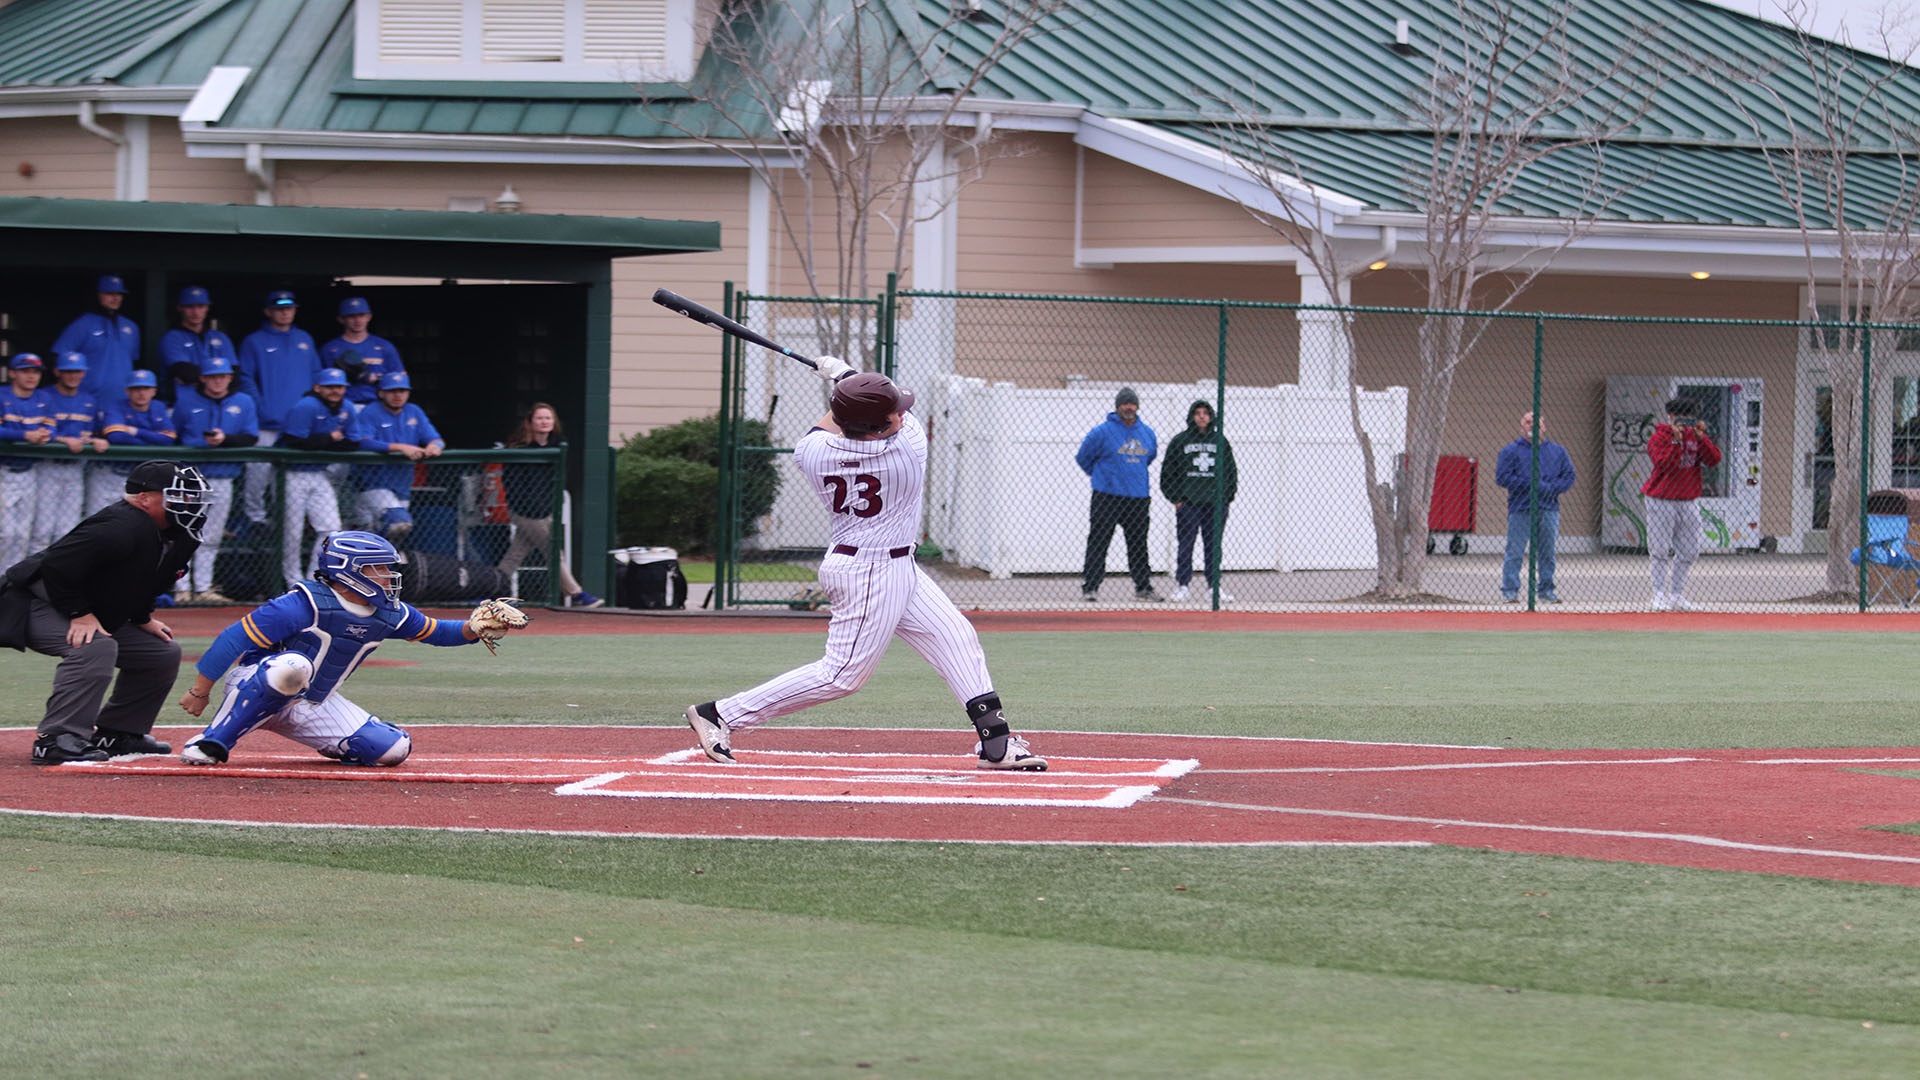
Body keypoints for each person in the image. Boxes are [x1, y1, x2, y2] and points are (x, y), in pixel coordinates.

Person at [683, 365, 1047, 771]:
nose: (902, 415)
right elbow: (867, 417)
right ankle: (722, 714)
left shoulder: (812, 453)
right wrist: (843, 372)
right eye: (893, 413)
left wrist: (843, 386)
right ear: (877, 428)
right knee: (842, 676)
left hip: (888, 564)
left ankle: (996, 744)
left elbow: (831, 422)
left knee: (955, 637)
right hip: (870, 575)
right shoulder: (908, 451)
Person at [174, 531, 504, 767]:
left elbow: (435, 631)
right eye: (380, 569)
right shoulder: (300, 605)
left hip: (314, 701)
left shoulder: (388, 611)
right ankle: (211, 741)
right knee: (293, 665)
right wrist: (200, 691)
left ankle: (332, 741)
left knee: (392, 749)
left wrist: (474, 628)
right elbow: (233, 640)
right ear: (349, 571)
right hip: (258, 682)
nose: (390, 576)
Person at [4, 460, 205, 764]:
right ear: (145, 498)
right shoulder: (119, 526)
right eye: (178, 496)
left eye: (192, 497)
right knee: (95, 646)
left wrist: (141, 617)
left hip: (73, 603)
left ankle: (119, 733)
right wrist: (79, 613)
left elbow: (142, 580)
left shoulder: (177, 532)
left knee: (159, 653)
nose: (189, 505)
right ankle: (59, 738)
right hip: (29, 602)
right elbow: (56, 566)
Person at [172, 355, 260, 603]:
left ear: (230, 378)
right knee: (184, 533)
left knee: (210, 536)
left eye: (222, 376)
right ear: (202, 378)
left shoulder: (243, 401)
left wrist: (225, 440)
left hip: (223, 476)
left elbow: (251, 437)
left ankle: (202, 588)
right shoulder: (187, 400)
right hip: (190, 476)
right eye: (212, 377)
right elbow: (172, 436)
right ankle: (181, 589)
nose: (218, 381)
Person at [496, 402, 601, 607]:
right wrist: (530, 506)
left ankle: (489, 589)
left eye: (548, 418)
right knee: (553, 552)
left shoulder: (559, 444)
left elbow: (560, 478)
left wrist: (546, 506)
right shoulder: (518, 448)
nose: (544, 422)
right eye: (539, 418)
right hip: (524, 511)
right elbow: (512, 484)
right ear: (530, 422)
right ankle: (577, 594)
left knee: (515, 555)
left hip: (546, 511)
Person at [235, 290, 319, 535]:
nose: (285, 312)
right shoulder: (254, 341)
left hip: (298, 426)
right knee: (257, 475)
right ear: (268, 311)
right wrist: (261, 409)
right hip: (266, 423)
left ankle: (289, 520)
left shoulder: (305, 339)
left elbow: (316, 378)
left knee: (293, 479)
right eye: (280, 308)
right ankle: (256, 520)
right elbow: (246, 379)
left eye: (290, 308)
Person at [276, 368, 360, 589]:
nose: (335, 391)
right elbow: (295, 440)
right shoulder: (306, 406)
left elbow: (353, 443)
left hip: (319, 473)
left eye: (339, 387)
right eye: (330, 387)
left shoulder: (347, 407)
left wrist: (323, 441)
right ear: (318, 388)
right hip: (291, 474)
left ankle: (313, 581)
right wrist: (330, 438)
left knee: (331, 530)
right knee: (292, 533)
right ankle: (292, 582)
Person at [1076, 386, 1162, 602]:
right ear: (1117, 406)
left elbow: (1149, 457)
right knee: (1099, 540)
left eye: (1132, 403)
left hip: (1138, 498)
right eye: (1125, 403)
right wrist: (1102, 477)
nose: (1129, 407)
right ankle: (1091, 586)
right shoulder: (1102, 432)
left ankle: (1143, 586)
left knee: (1138, 544)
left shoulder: (1147, 433)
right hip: (1107, 496)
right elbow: (1083, 457)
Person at [1642, 396, 1722, 612]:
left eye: (1689, 417)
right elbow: (1663, 464)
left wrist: (1702, 438)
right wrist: (1676, 442)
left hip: (1687, 499)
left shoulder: (1695, 437)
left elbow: (1714, 459)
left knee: (1690, 550)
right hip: (1661, 498)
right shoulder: (1659, 437)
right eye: (1680, 417)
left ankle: (1676, 595)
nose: (1684, 422)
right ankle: (1659, 594)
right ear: (1671, 417)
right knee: (1659, 548)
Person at [1158, 399, 1237, 604]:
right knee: (1186, 545)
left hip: (1215, 504)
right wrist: (1176, 499)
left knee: (1213, 546)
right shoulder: (1180, 441)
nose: (1202, 416)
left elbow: (1231, 472)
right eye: (1197, 413)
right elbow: (1168, 472)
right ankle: (1183, 586)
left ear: (1211, 417)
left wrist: (1226, 499)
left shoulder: (1221, 441)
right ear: (1191, 416)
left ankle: (1213, 587)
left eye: (1205, 413)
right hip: (1189, 504)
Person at [349, 371, 442, 542]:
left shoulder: (414, 411)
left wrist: (435, 446)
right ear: (381, 393)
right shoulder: (370, 411)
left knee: (385, 536)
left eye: (402, 391)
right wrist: (400, 447)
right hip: (372, 484)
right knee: (398, 523)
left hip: (401, 484)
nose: (398, 395)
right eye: (392, 391)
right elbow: (361, 442)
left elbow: (435, 438)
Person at [1495, 411, 1576, 605]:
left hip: (1548, 507)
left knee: (1547, 552)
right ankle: (1510, 591)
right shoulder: (1510, 451)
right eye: (1528, 422)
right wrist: (1529, 485)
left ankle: (1546, 590)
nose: (1532, 426)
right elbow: (1502, 477)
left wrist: (1550, 488)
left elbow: (1569, 477)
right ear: (1521, 426)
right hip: (1521, 507)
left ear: (1544, 427)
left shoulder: (1557, 451)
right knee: (1515, 551)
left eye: (1536, 423)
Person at [33, 352, 107, 552]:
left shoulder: (89, 400)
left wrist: (95, 440)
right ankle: (29, 578)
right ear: (57, 372)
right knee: (42, 530)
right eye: (68, 371)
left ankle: (56, 578)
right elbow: (38, 430)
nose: (73, 376)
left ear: (83, 373)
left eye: (77, 371)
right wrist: (62, 440)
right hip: (47, 466)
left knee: (68, 530)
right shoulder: (44, 396)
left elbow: (97, 431)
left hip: (76, 468)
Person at [88, 369, 177, 513]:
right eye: (136, 389)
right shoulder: (116, 406)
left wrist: (136, 431)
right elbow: (116, 436)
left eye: (146, 388)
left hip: (142, 482)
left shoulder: (158, 407)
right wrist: (152, 442)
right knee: (100, 520)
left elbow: (169, 439)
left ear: (154, 391)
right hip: (111, 474)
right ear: (127, 391)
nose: (141, 393)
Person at [1, 353, 54, 568]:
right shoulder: (2, 395)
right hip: (4, 470)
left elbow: (51, 427)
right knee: (4, 533)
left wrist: (46, 434)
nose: (31, 376)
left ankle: (10, 583)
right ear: (12, 373)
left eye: (35, 372)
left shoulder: (43, 398)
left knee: (22, 534)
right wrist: (25, 435)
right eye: (25, 371)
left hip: (30, 471)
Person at [51, 274, 140, 402]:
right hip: (89, 400)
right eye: (110, 293)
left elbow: (133, 362)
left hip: (123, 402)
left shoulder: (131, 327)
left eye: (119, 294)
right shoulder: (83, 324)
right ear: (99, 294)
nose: (115, 298)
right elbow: (58, 358)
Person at [320, 297, 404, 409]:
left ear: (369, 317)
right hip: (343, 406)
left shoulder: (384, 346)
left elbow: (400, 380)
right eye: (351, 316)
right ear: (341, 319)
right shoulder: (330, 349)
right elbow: (321, 383)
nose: (357, 320)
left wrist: (375, 379)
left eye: (361, 315)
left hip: (377, 406)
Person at [158, 285, 237, 401]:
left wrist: (200, 377)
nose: (196, 312)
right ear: (180, 308)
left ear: (207, 308)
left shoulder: (220, 337)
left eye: (201, 306)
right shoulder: (172, 338)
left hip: (218, 403)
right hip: (183, 403)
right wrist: (219, 379)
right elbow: (185, 373)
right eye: (190, 307)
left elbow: (234, 372)